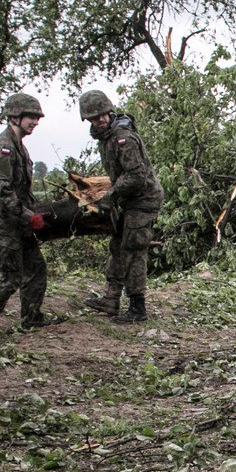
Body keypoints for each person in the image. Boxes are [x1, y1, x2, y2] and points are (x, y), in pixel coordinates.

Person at [0, 93, 62, 340]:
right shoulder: (4, 148)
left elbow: (21, 190)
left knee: (36, 268)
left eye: (37, 118)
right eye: (31, 117)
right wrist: (30, 216)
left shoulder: (19, 146)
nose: (35, 122)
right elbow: (2, 192)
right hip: (1, 223)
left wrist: (34, 213)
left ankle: (32, 318)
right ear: (15, 117)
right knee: (10, 277)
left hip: (17, 222)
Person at [78, 90, 164, 323]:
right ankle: (111, 298)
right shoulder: (106, 138)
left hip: (143, 200)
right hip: (128, 199)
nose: (99, 120)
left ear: (110, 111)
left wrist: (111, 195)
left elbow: (137, 175)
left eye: (102, 115)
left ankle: (137, 308)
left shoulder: (123, 137)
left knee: (134, 250)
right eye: (94, 118)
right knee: (117, 245)